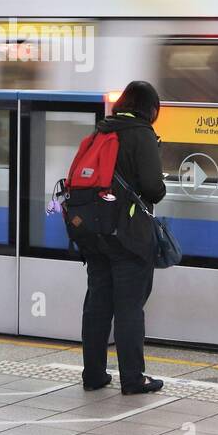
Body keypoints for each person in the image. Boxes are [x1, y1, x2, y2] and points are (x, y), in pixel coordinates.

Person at [81, 81, 167, 395]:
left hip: (94, 232)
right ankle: (133, 378)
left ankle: (93, 374)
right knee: (129, 306)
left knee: (98, 303)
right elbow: (153, 188)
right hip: (128, 235)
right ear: (151, 109)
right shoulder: (141, 133)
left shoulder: (101, 130)